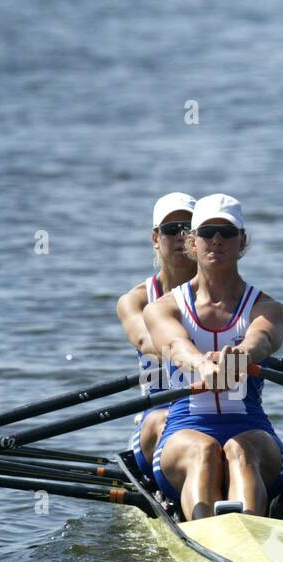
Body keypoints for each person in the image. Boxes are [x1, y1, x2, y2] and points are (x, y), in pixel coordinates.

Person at [143, 194, 283, 520]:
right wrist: (201, 365)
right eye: (208, 233)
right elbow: (175, 345)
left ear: (242, 241)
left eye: (227, 233)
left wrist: (239, 357)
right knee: (204, 451)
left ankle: (247, 544)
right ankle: (213, 541)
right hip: (184, 431)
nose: (217, 241)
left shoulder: (267, 308)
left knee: (240, 450)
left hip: (252, 431)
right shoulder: (162, 308)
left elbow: (263, 339)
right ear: (192, 242)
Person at [116, 192, 198, 479]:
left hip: (217, 415)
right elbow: (148, 343)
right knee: (169, 422)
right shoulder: (136, 301)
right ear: (155, 238)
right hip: (158, 416)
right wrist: (202, 358)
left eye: (187, 228)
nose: (179, 236)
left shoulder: (228, 298)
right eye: (170, 229)